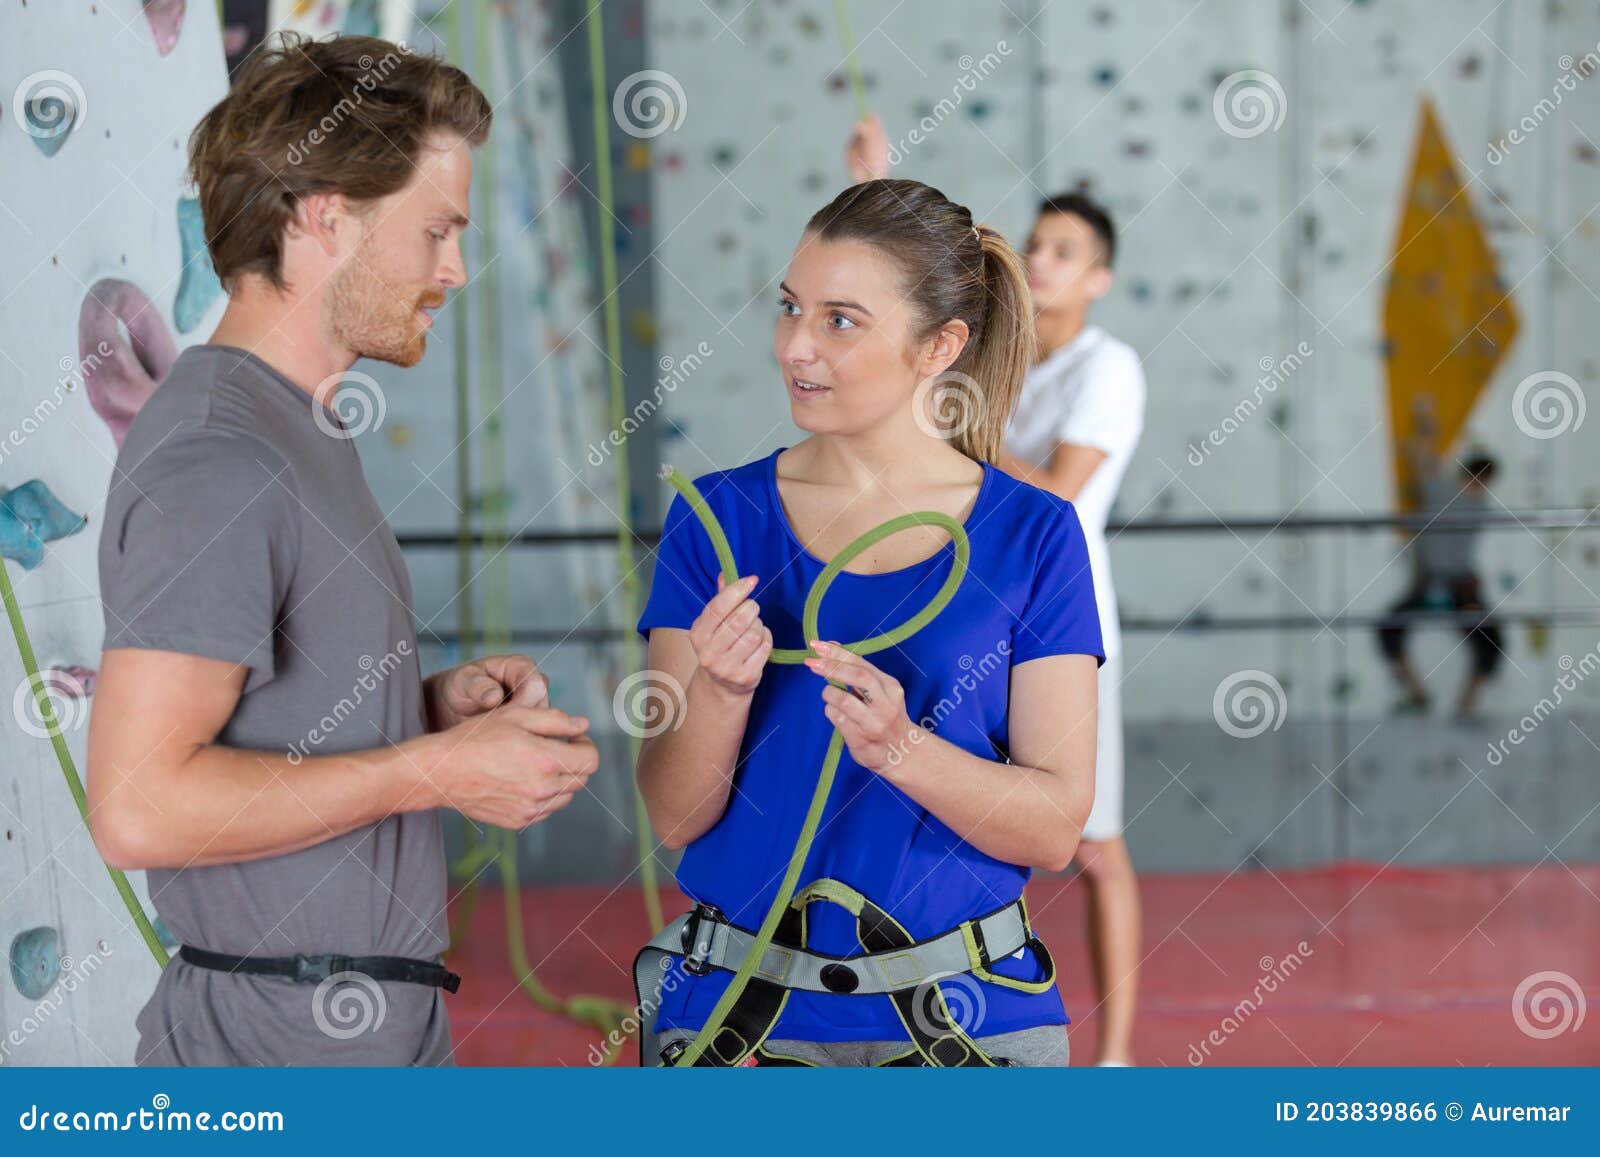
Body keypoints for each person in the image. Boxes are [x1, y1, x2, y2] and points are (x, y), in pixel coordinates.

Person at [88, 34, 599, 1066]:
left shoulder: (295, 428)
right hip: (273, 1051)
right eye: (436, 231)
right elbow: (140, 807)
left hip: (356, 1026)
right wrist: (433, 768)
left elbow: (261, 719)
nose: (454, 270)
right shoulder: (221, 455)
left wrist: (419, 712)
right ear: (325, 215)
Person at [633, 178, 1104, 1067]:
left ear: (940, 347)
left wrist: (900, 748)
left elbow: (1053, 827)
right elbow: (674, 815)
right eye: (789, 308)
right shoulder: (716, 519)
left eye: (840, 321)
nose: (795, 346)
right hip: (738, 1026)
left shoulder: (1036, 534)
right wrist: (721, 690)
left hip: (970, 1029)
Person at [849, 118, 1146, 1066]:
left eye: (1066, 252)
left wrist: (962, 425)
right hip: (964, 618)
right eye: (1038, 245)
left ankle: (1116, 1059)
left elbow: (1052, 491)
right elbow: (921, 292)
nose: (1043, 261)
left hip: (1060, 627)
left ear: (1098, 278)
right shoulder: (996, 355)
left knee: (1091, 845)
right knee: (952, 811)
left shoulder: (1108, 368)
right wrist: (878, 182)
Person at [1376, 395, 1502, 721]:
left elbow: (1424, 459)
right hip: (1440, 585)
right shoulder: (1448, 494)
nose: (1483, 487)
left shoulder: (1461, 498)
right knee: (1390, 628)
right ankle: (1424, 696)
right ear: (1479, 477)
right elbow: (1425, 458)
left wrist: (1425, 421)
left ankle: (1458, 704)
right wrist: (1425, 420)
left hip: (1456, 586)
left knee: (1490, 642)